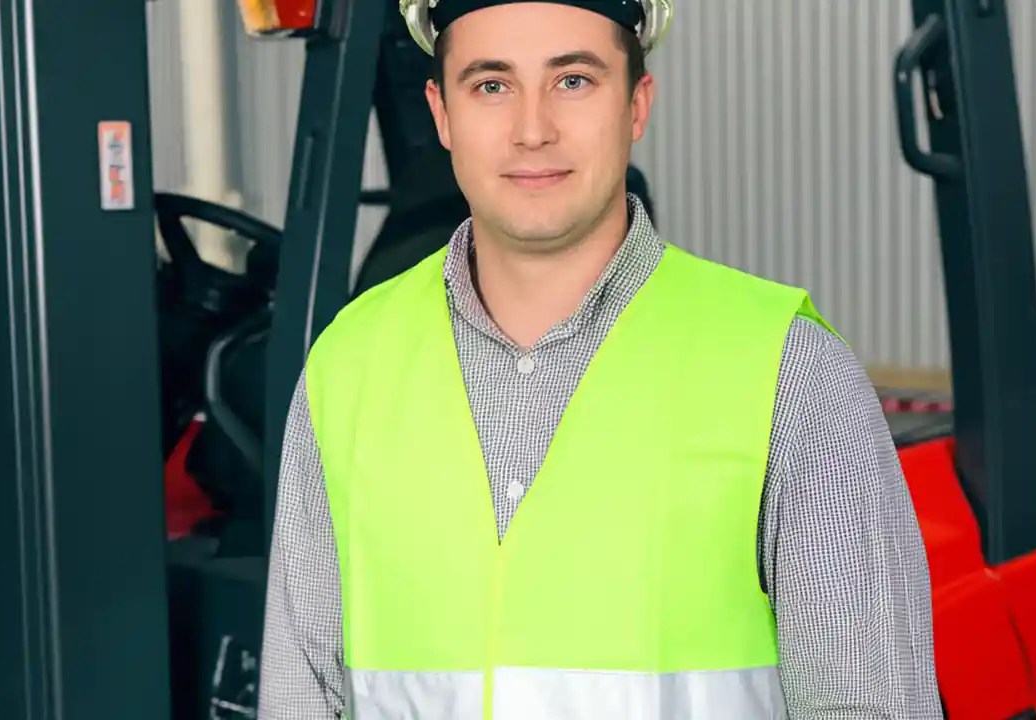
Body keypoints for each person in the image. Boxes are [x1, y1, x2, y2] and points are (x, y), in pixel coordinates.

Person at [257, 0, 944, 717]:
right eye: (492, 85)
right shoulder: (349, 366)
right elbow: (302, 696)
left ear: (636, 104)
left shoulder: (789, 370)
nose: (532, 130)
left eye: (574, 80)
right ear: (441, 113)